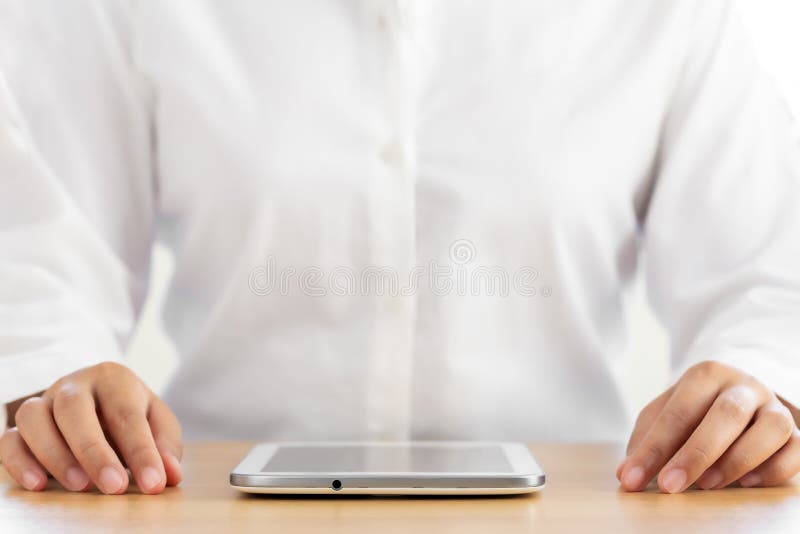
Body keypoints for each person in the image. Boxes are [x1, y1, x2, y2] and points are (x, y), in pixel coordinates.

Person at [1, 0, 799, 496]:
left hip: (574, 508)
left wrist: (754, 390)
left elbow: (768, 277)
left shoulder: (669, 13)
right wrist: (60, 394)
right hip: (209, 503)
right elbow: (43, 264)